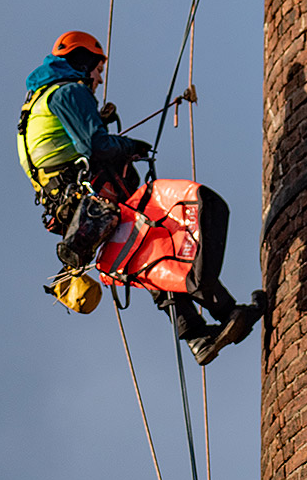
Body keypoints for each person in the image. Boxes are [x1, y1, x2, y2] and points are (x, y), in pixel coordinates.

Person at [18, 30, 265, 365]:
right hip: (90, 197)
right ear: (83, 60)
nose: (99, 78)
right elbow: (96, 147)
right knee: (191, 216)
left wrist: (99, 126)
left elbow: (63, 146)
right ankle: (218, 305)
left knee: (150, 252)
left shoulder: (36, 101)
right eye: (98, 69)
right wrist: (131, 146)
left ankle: (197, 335)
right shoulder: (69, 92)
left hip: (72, 209)